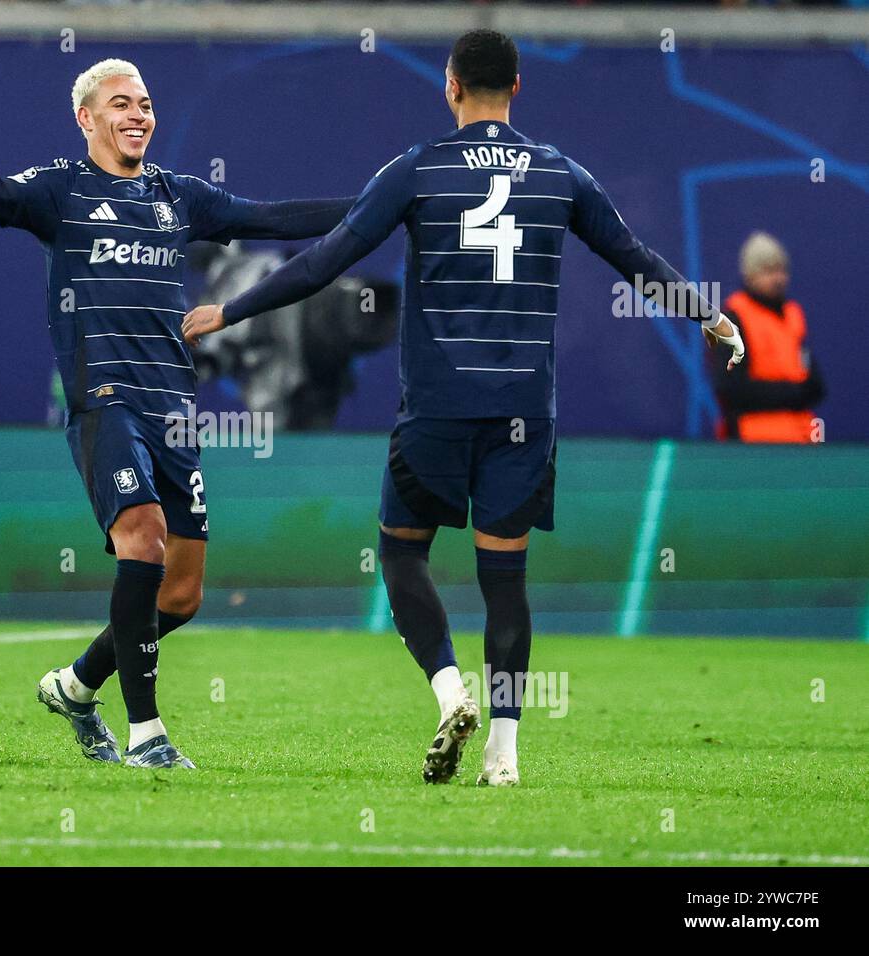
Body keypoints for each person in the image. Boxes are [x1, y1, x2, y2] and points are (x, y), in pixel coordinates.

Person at [183, 30, 745, 786]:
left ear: (450, 86)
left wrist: (232, 308)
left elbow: (326, 261)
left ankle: (450, 692)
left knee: (401, 552)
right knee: (505, 581)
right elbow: (635, 260)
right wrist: (708, 316)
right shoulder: (561, 175)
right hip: (523, 411)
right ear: (518, 88)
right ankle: (504, 759)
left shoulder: (416, 170)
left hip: (438, 408)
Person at [0, 59, 354, 769]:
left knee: (182, 595)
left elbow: (270, 216)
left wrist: (375, 207)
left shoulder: (177, 197)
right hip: (105, 401)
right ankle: (147, 735)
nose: (138, 115)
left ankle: (75, 686)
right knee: (144, 539)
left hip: (174, 412)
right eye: (120, 103)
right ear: (86, 119)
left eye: (146, 104)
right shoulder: (61, 189)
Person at [711, 231, 824, 442]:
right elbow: (732, 389)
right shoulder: (732, 318)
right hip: (756, 440)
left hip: (805, 435)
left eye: (782, 270)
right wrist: (794, 392)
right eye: (768, 271)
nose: (778, 278)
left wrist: (799, 391)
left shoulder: (793, 314)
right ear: (750, 275)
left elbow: (815, 384)